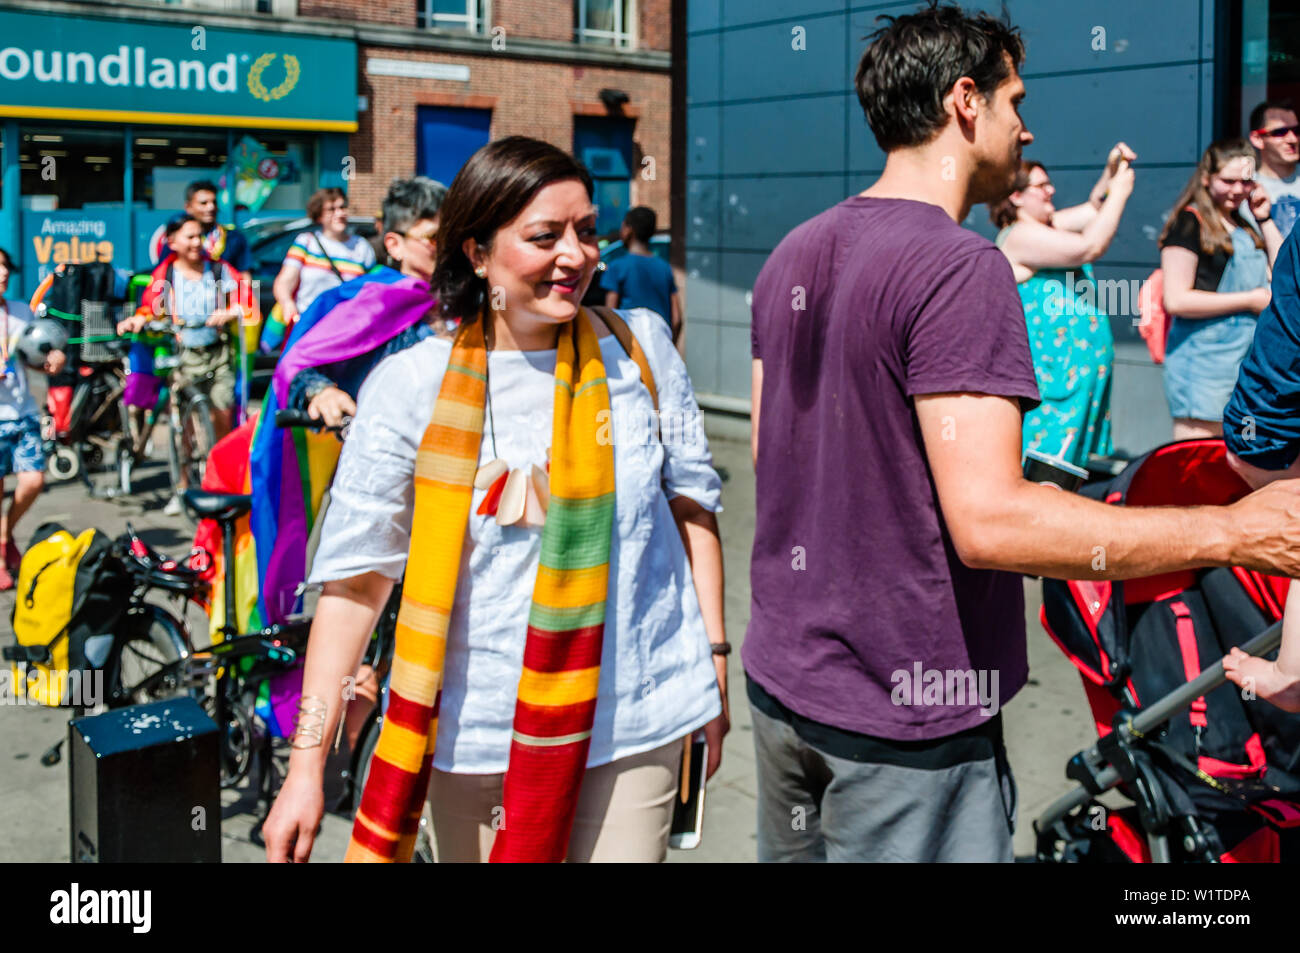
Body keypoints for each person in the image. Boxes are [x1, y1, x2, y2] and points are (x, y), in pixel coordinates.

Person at [747, 1, 1300, 864]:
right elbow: (993, 524)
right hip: (905, 722)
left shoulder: (794, 252)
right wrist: (1234, 530)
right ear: (966, 102)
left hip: (783, 688)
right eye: (1016, 103)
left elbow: (771, 461)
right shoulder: (958, 265)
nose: (1028, 130)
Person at [262, 137, 730, 864]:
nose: (575, 255)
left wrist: (715, 664)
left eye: (586, 232)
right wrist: (304, 765)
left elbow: (692, 511)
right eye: (545, 236)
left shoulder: (640, 350)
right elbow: (354, 586)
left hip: (639, 720)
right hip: (474, 735)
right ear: (478, 253)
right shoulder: (411, 386)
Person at [247, 176, 447, 749]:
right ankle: (333, 753)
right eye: (436, 238)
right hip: (372, 493)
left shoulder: (467, 306)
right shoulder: (366, 298)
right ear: (395, 243)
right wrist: (319, 394)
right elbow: (304, 361)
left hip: (447, 493)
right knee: (361, 628)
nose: (450, 249)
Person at [990, 149, 1135, 466]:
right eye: (1041, 186)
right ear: (1015, 196)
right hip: (1055, 388)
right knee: (1047, 473)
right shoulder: (1019, 236)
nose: (1050, 191)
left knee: (1070, 473)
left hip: (1074, 385)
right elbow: (1089, 246)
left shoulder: (1049, 227)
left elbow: (1094, 208)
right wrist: (1121, 192)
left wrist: (1111, 173)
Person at [118, 214, 250, 515]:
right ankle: (182, 489)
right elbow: (150, 308)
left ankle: (224, 484)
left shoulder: (218, 270)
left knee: (222, 417)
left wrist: (231, 312)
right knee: (184, 428)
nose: (195, 242)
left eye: (198, 236)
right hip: (183, 356)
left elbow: (245, 298)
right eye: (189, 237)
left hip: (218, 354)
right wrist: (136, 320)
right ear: (173, 242)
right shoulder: (165, 275)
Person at [1158, 138, 1283, 440]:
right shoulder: (1189, 223)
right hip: (1202, 368)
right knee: (1197, 463)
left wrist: (1265, 218)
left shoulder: (1245, 226)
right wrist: (1250, 300)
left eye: (1245, 181)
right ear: (1206, 178)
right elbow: (1175, 299)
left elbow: (1283, 275)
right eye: (1228, 181)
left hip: (1241, 365)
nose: (1237, 190)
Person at [0, 248, 64, 590]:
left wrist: (51, 360)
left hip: (23, 412)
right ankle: (0, 557)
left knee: (33, 481)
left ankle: (4, 534)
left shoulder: (22, 312)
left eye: (5, 266)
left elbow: (33, 357)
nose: (3, 273)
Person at [272, 187, 376, 328]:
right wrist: (287, 302)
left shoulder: (361, 246)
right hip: (310, 324)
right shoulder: (307, 242)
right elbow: (285, 281)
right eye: (331, 209)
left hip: (347, 327)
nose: (339, 213)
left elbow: (372, 288)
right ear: (319, 215)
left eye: (342, 207)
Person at [601, 206, 682, 341]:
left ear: (628, 230)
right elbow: (677, 319)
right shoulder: (664, 267)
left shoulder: (617, 266)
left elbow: (610, 314)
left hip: (630, 346)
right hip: (660, 343)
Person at [151, 180, 253, 273]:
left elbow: (244, 275)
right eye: (203, 203)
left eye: (214, 202)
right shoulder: (178, 239)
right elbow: (162, 273)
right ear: (188, 207)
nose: (211, 207)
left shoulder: (234, 237)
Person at [1248, 99, 1300, 239]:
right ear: (1257, 138)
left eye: (1297, 131)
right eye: (1280, 132)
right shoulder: (1241, 188)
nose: (1292, 139)